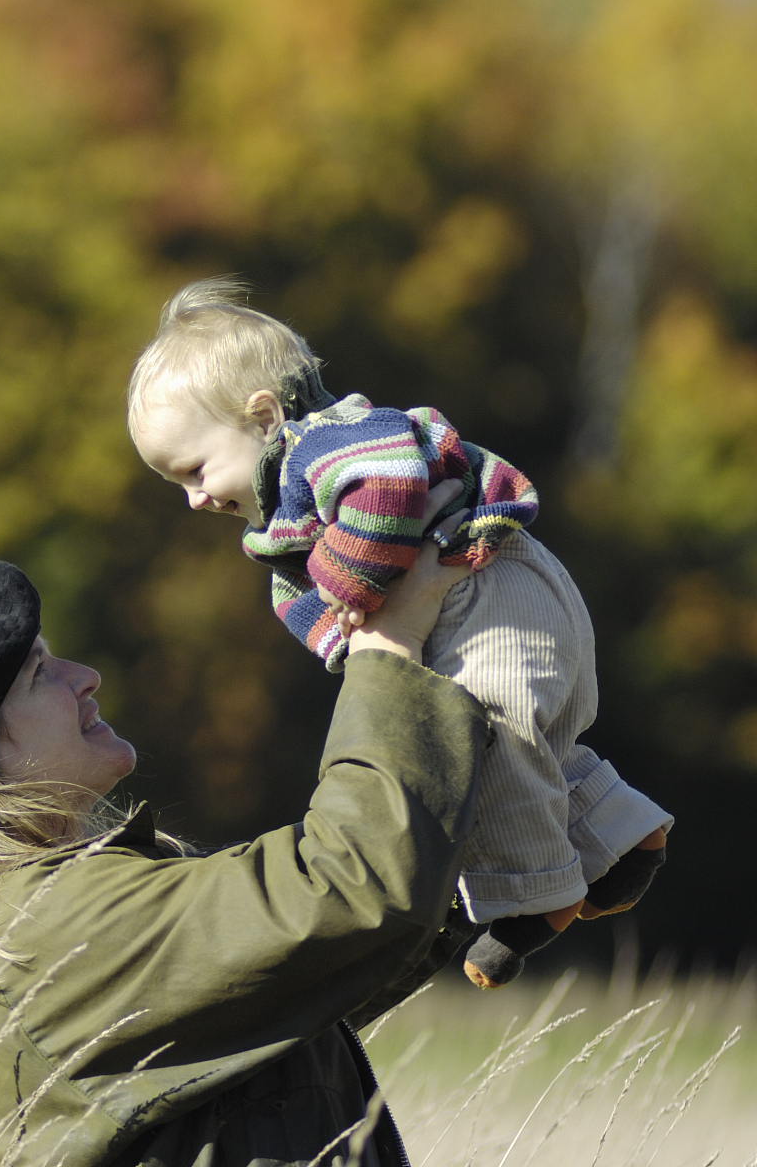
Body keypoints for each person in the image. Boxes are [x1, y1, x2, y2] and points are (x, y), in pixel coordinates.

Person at [0, 544, 479, 1166]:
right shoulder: (42, 928)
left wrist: (498, 901)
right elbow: (346, 891)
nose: (84, 677)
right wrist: (387, 650)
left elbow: (284, 994)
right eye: (39, 672)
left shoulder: (27, 915)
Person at [124, 278, 669, 988]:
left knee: (489, 734)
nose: (194, 499)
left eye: (194, 470)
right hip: (481, 609)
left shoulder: (333, 442)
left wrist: (354, 586)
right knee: (499, 738)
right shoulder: (286, 513)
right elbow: (298, 599)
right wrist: (349, 647)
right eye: (177, 485)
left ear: (262, 418)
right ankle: (624, 835)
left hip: (494, 592)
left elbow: (387, 487)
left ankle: (535, 902)